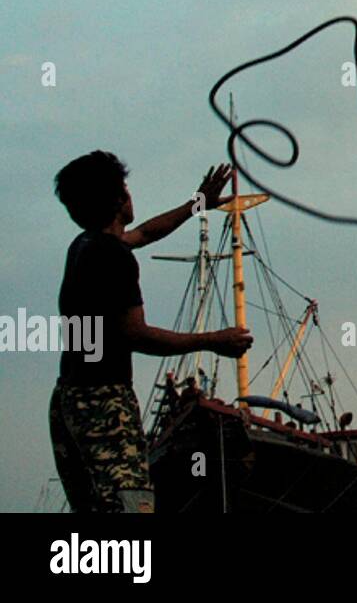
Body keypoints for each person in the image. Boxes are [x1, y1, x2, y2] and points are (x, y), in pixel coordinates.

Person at [49, 151, 254, 513]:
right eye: (125, 189)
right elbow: (137, 335)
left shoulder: (84, 246)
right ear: (118, 200)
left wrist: (197, 204)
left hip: (69, 399)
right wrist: (213, 340)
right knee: (129, 504)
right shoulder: (114, 258)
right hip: (104, 403)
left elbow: (145, 232)